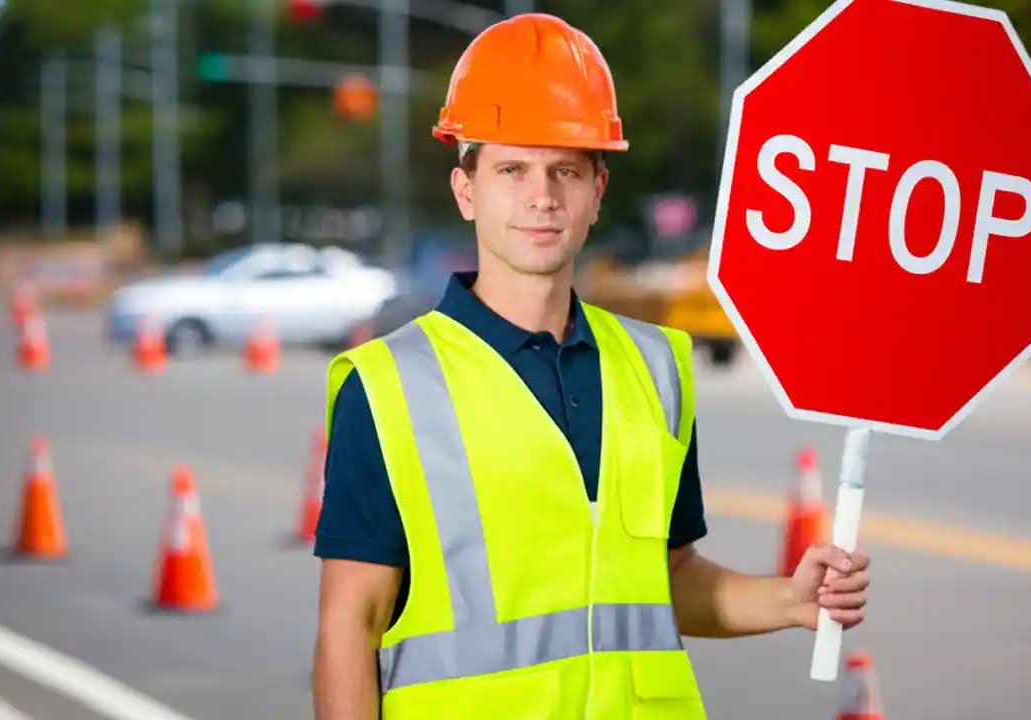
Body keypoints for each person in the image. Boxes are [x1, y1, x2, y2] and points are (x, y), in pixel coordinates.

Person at [311, 12, 871, 720]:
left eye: (566, 170)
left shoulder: (657, 366)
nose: (542, 196)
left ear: (597, 190)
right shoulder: (389, 386)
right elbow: (348, 623)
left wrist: (786, 598)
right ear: (466, 189)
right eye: (512, 168)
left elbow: (663, 579)